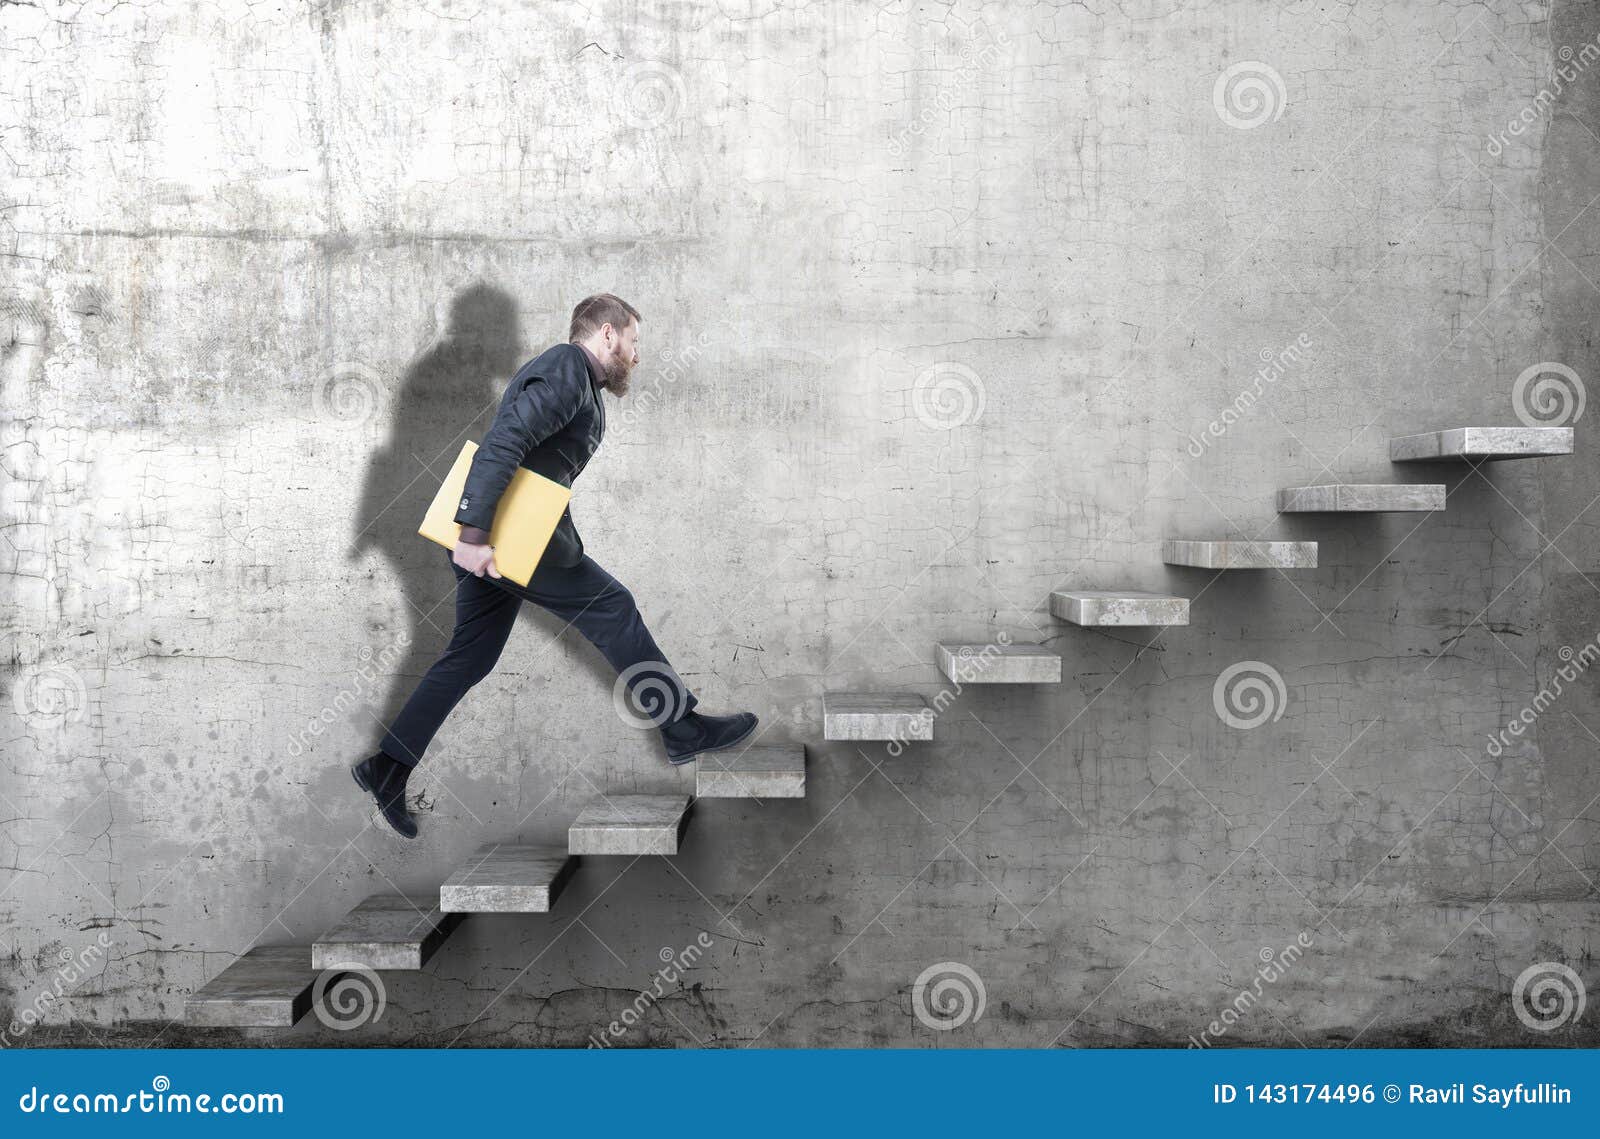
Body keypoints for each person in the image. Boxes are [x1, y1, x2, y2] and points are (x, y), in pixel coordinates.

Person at [351, 293, 757, 838]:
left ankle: (388, 767)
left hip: (513, 540)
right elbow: (505, 443)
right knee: (612, 607)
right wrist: (473, 533)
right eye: (633, 341)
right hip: (506, 539)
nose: (636, 356)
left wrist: (484, 535)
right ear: (608, 334)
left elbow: (542, 472)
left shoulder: (582, 383)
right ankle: (681, 727)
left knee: (470, 656)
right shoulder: (567, 366)